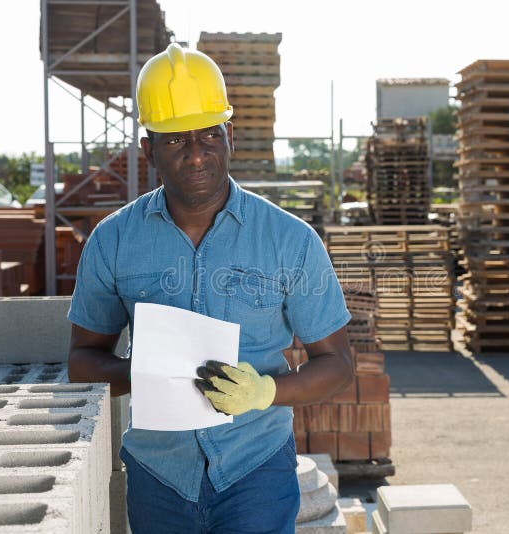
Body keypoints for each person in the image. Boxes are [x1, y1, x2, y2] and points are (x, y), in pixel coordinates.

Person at [67, 43, 353, 533]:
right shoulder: (113, 240)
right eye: (176, 140)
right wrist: (149, 375)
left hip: (255, 470)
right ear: (148, 149)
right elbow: (82, 361)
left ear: (230, 137)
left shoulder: (290, 241)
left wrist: (265, 391)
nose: (196, 154)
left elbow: (338, 365)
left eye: (209, 136)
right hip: (159, 474)